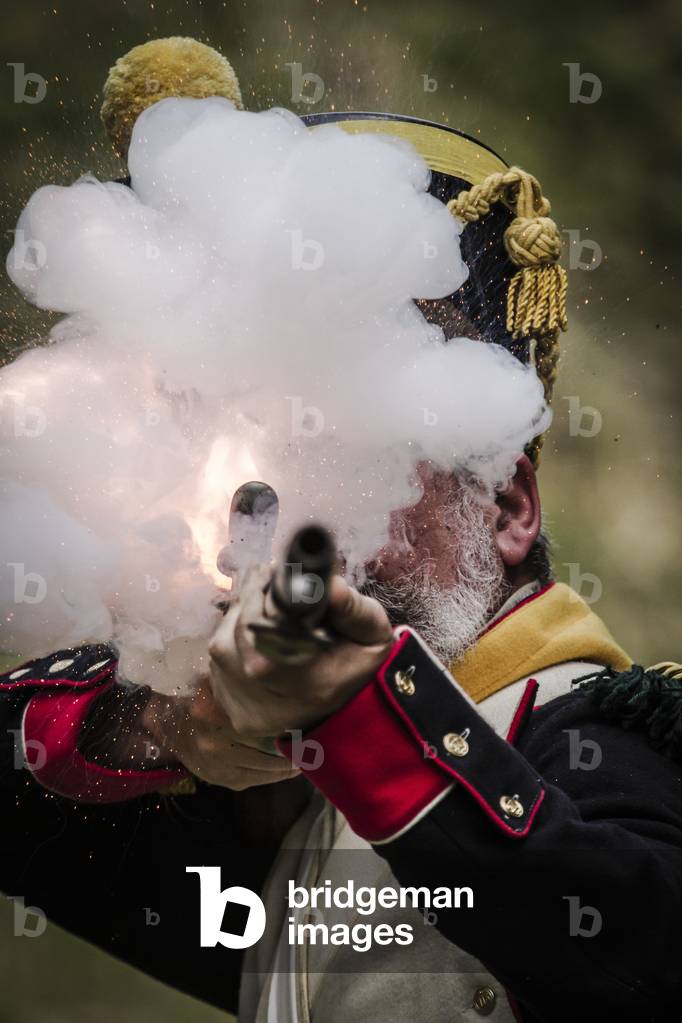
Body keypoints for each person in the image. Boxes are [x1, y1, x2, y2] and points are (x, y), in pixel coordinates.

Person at [1, 37, 680, 1023]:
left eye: (349, 454)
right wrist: (168, 727)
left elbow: (634, 953)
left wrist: (362, 719)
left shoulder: (617, 756)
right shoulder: (278, 818)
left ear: (505, 504)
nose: (281, 507)